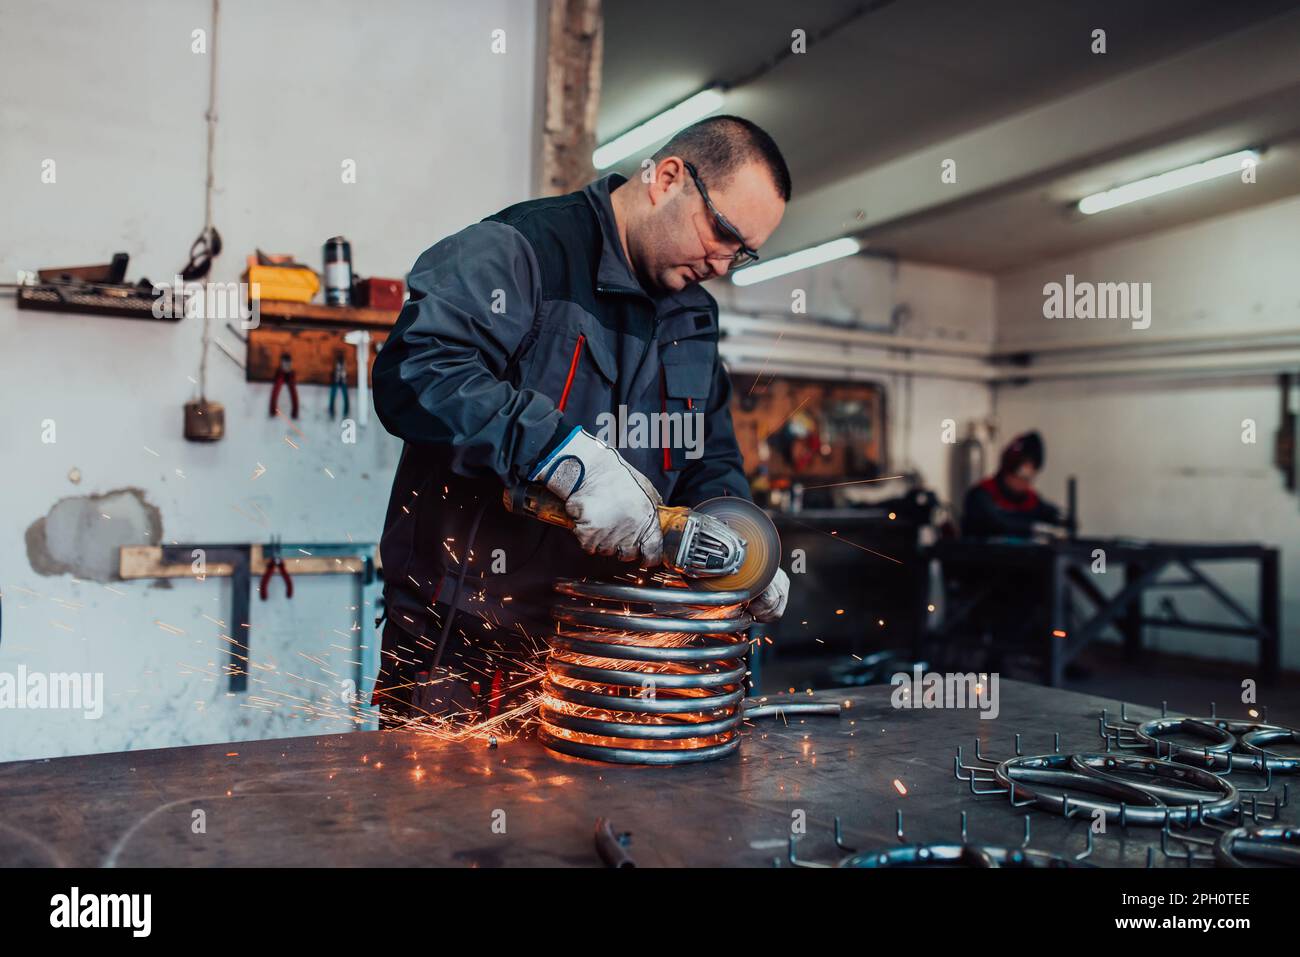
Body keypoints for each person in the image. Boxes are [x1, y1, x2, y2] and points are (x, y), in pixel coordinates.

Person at [370, 116, 793, 722]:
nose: (724, 265)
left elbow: (708, 457)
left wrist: (738, 541)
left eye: (743, 252)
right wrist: (563, 458)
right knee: (442, 815)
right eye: (722, 233)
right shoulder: (524, 250)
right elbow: (418, 371)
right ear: (667, 179)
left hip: (610, 654)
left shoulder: (693, 317)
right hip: (467, 652)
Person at [961, 431, 1065, 538]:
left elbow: (1052, 514)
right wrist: (1037, 528)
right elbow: (999, 523)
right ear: (1007, 471)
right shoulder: (981, 496)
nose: (1025, 483)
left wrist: (1062, 519)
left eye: (1030, 478)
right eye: (1022, 476)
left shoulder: (1032, 500)